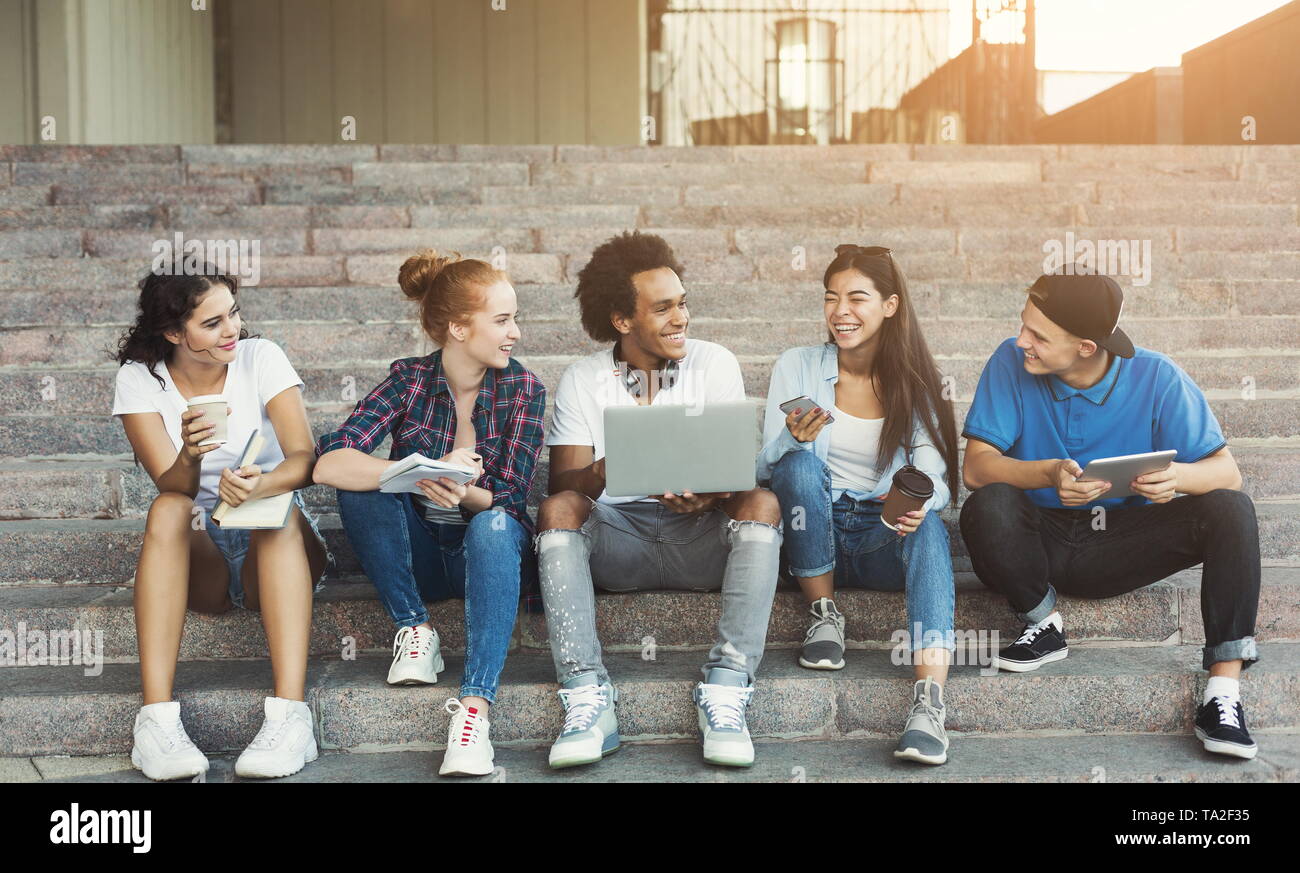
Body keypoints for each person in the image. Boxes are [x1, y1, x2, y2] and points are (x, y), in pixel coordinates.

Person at [959, 270, 1261, 759]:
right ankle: (1041, 623)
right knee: (988, 502)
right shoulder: (1009, 362)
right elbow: (976, 468)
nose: (1022, 342)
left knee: (1231, 510)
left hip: (1121, 544)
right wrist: (1048, 474)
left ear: (1084, 347)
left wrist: (1178, 478)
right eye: (1024, 326)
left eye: (1038, 335)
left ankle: (1222, 694)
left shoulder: (1158, 377)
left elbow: (1226, 472)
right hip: (1035, 542)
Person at [535, 231, 783, 769]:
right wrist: (617, 460)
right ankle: (585, 696)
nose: (682, 319)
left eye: (683, 303)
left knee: (762, 504)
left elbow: (738, 475)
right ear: (622, 320)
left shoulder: (714, 362)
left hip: (698, 540)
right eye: (664, 308)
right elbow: (563, 488)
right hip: (618, 540)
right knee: (556, 513)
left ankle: (727, 687)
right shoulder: (583, 379)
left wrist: (710, 494)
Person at [313, 250, 544, 777]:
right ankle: (414, 627)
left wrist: (462, 493)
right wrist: (419, 472)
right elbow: (330, 463)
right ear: (459, 328)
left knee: (493, 523)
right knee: (365, 485)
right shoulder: (409, 380)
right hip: (417, 556)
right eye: (503, 320)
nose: (516, 333)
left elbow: (509, 499)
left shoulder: (523, 389)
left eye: (515, 319)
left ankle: (474, 709)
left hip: (482, 558)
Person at [112, 267, 332, 780]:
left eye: (233, 313)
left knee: (271, 514)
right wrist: (190, 451)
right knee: (167, 508)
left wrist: (263, 484)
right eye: (211, 323)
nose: (231, 329)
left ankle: (290, 718)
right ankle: (157, 724)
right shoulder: (139, 380)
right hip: (203, 549)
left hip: (276, 542)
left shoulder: (261, 357)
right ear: (173, 333)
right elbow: (172, 486)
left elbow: (305, 459)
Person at [758, 244, 959, 765]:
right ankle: (823, 615)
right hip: (811, 530)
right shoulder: (797, 365)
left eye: (856, 298)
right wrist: (791, 440)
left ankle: (929, 703)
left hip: (879, 532)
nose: (840, 311)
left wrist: (922, 502)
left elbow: (934, 470)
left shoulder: (914, 382)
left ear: (890, 306)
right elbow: (762, 469)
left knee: (931, 527)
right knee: (797, 465)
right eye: (831, 298)